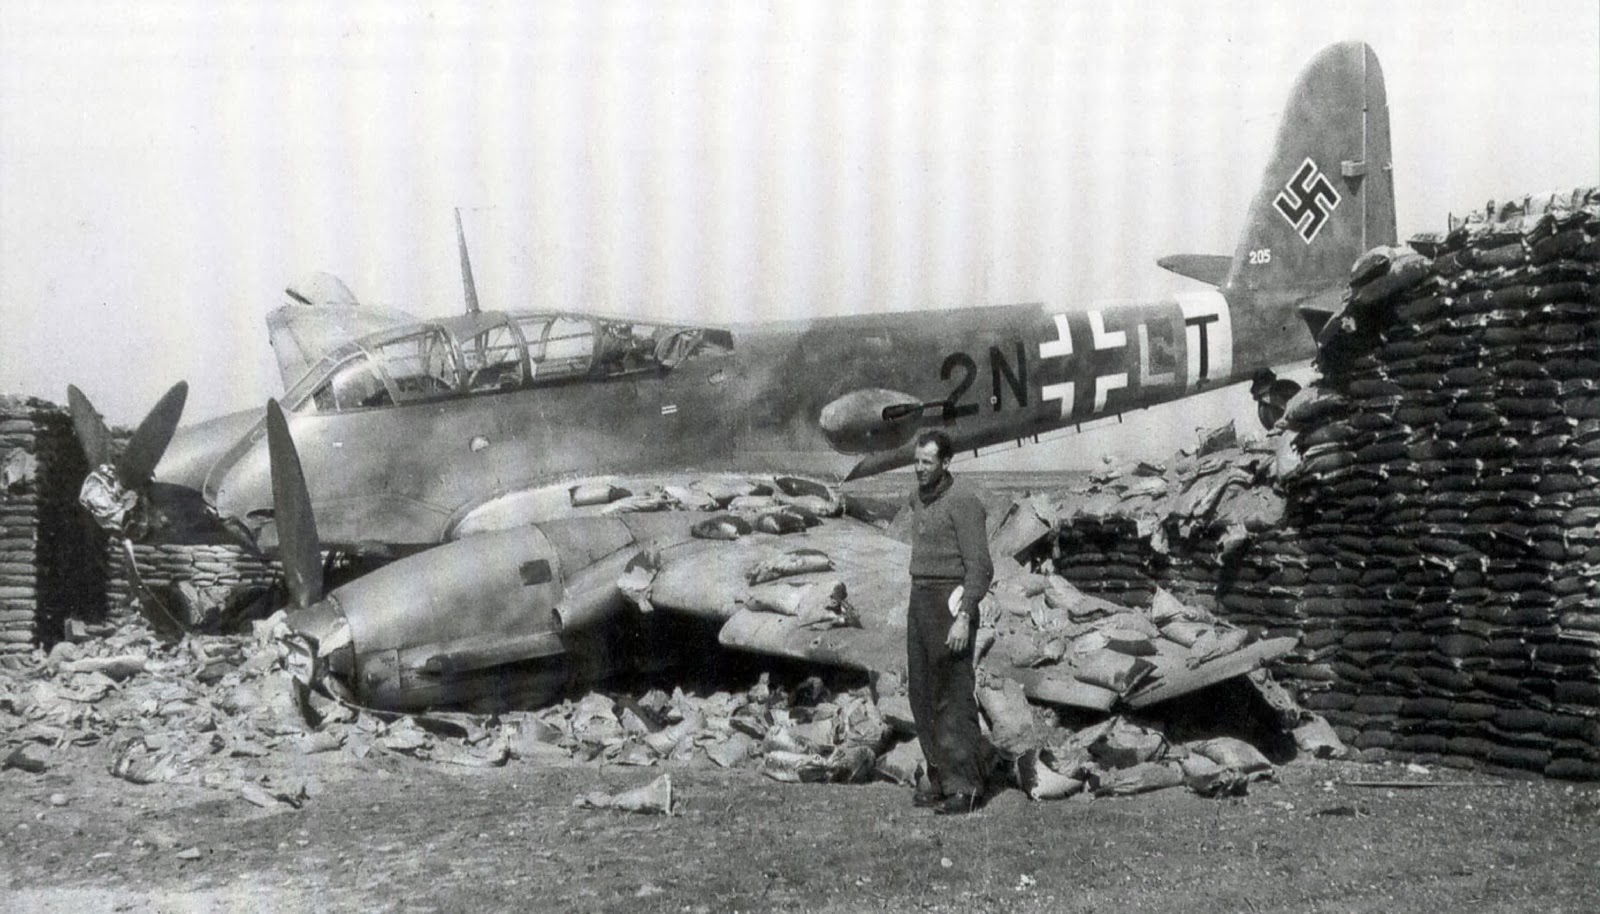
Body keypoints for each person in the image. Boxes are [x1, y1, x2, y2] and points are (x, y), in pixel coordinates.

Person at [904, 429, 994, 815]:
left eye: (927, 462)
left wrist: (964, 616)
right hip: (919, 599)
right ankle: (939, 776)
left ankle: (966, 785)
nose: (920, 469)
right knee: (921, 692)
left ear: (946, 463)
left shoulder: (964, 502)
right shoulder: (917, 498)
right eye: (917, 461)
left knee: (954, 695)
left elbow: (980, 567)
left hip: (951, 603)